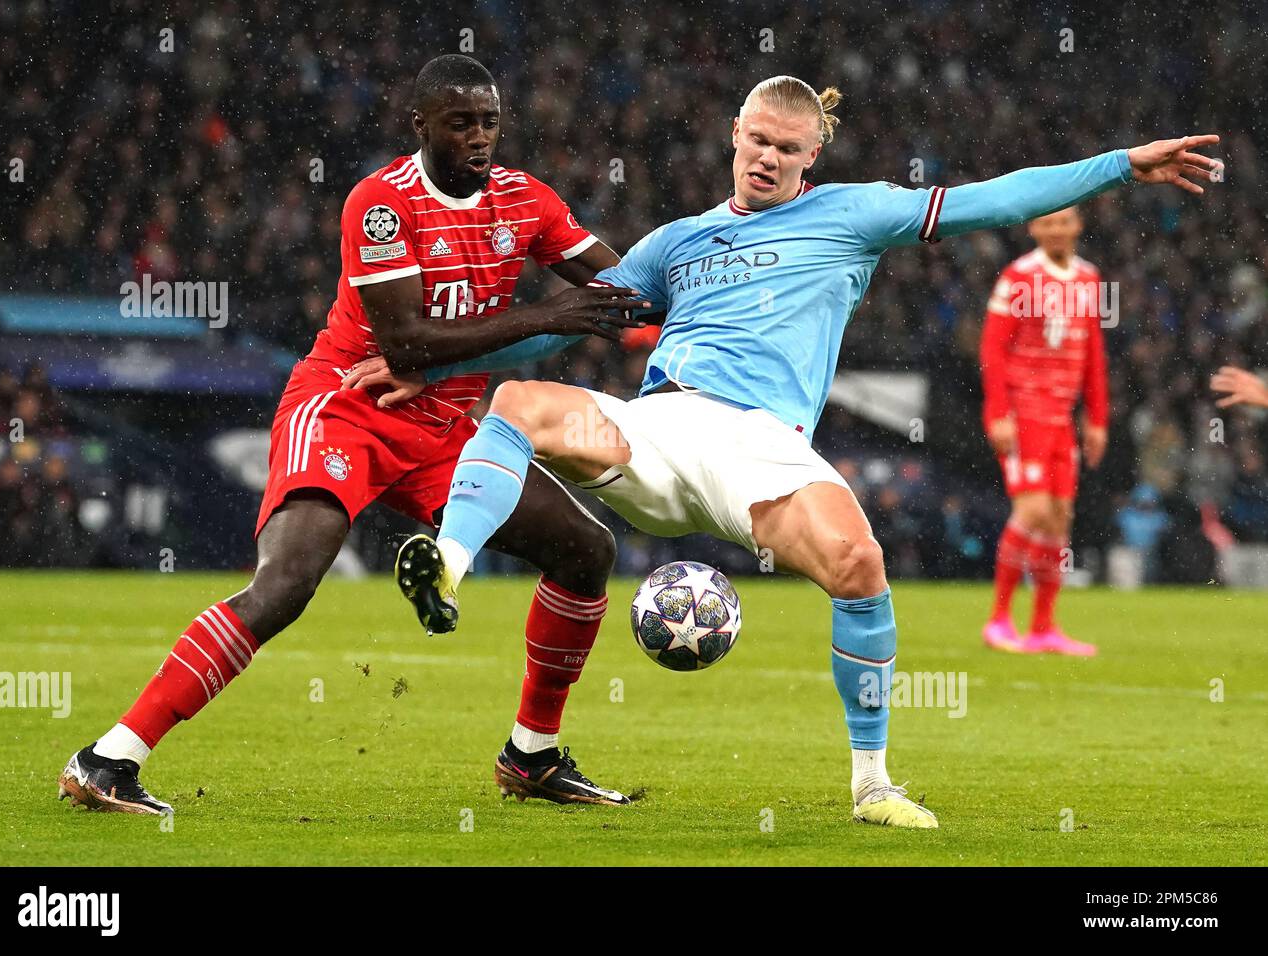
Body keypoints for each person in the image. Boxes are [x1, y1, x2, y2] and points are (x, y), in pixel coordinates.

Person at [394, 75, 1220, 828]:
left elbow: (995, 201)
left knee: (860, 564)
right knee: (518, 405)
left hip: (762, 451)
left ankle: (872, 786)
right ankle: (449, 566)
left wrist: (1120, 166)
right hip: (655, 433)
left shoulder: (855, 213)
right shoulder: (676, 243)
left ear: (811, 155)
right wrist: (424, 364)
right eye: (757, 141)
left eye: (787, 149)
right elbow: (552, 327)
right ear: (734, 134)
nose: (767, 159)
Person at [58, 55, 648, 816]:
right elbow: (405, 346)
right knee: (287, 583)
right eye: (460, 122)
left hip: (443, 431)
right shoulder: (381, 203)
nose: (479, 137)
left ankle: (530, 755)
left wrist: (717, 284)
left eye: (489, 122)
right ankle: (110, 756)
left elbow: (625, 284)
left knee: (586, 550)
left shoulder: (524, 201)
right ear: (421, 125)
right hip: (345, 408)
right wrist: (548, 316)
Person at [979, 207, 1105, 656]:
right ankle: (998, 620)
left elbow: (1093, 350)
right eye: (1046, 222)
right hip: (1023, 413)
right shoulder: (1018, 277)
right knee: (1031, 511)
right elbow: (993, 347)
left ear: (1078, 226)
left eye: (1064, 221)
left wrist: (1097, 417)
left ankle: (1043, 627)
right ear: (1032, 227)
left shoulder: (1089, 279)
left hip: (1061, 419)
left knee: (1058, 519)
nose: (1055, 229)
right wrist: (998, 412)